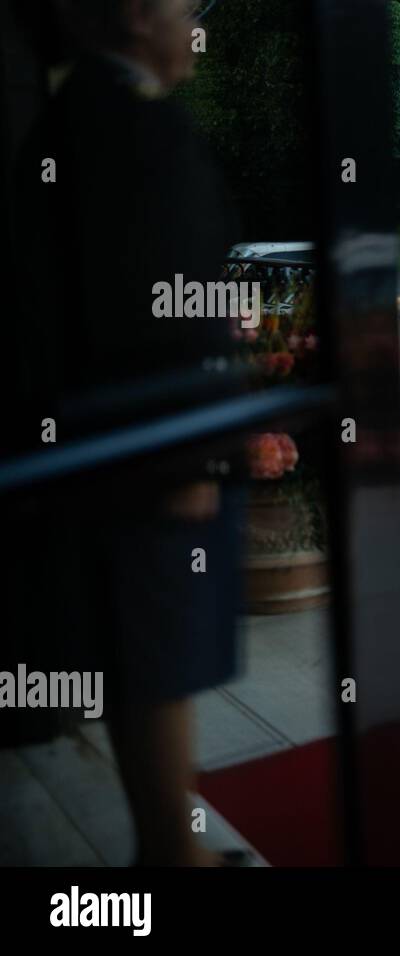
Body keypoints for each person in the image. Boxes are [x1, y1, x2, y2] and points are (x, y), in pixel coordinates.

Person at [8, 0, 249, 867]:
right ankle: (169, 857)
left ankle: (166, 847)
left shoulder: (79, 118)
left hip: (123, 440)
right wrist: (186, 458)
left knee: (147, 655)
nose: (195, 27)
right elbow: (148, 311)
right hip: (152, 450)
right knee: (155, 656)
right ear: (137, 16)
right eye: (186, 10)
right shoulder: (133, 126)